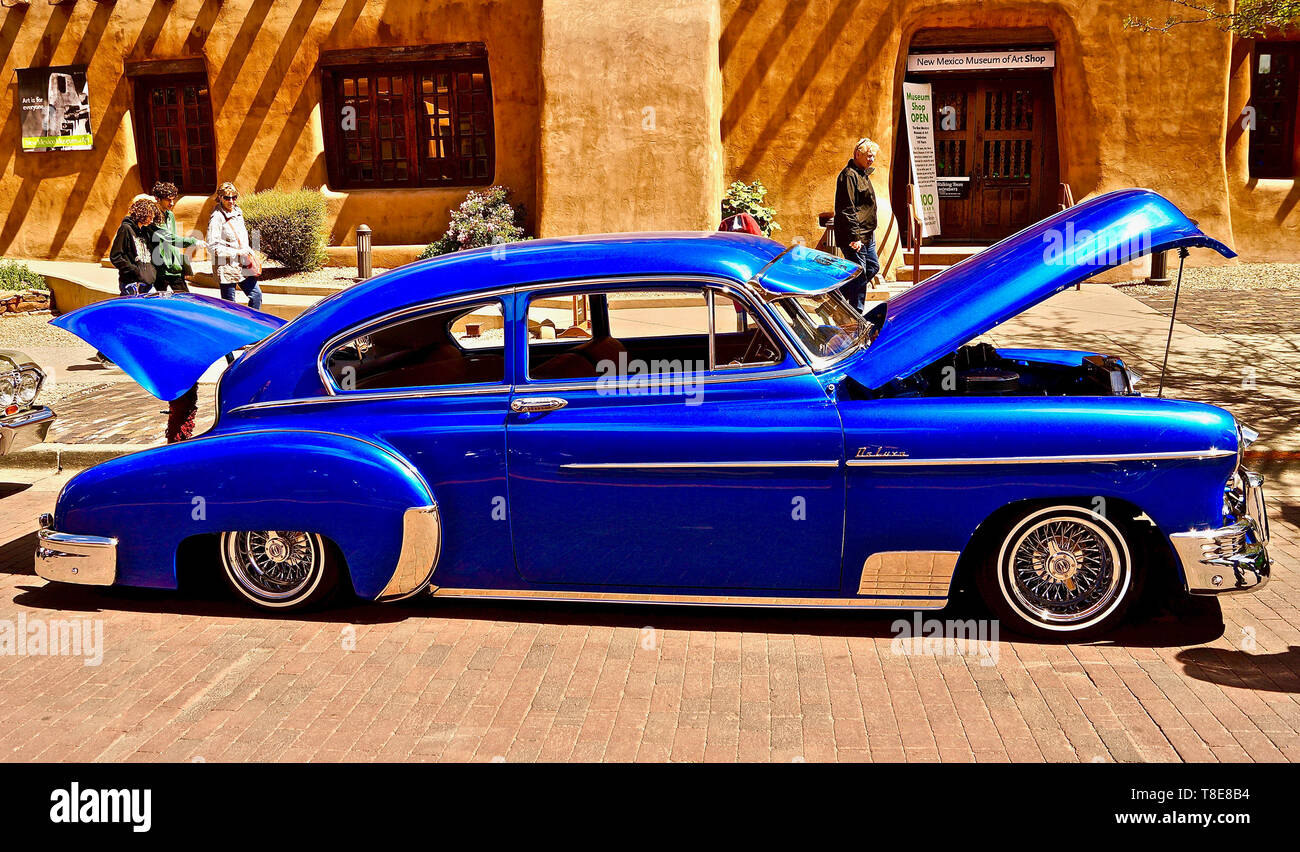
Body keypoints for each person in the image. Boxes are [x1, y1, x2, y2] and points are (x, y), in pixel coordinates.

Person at [207, 182, 263, 363]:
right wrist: (236, 252)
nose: (231, 201)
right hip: (226, 266)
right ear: (220, 198)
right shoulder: (216, 217)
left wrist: (248, 250)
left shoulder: (238, 213)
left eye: (234, 197)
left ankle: (250, 332)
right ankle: (232, 341)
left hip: (243, 264)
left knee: (256, 295)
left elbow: (243, 236)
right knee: (230, 307)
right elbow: (213, 246)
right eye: (227, 198)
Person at [834, 137, 881, 312]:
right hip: (855, 235)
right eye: (868, 155)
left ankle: (834, 299)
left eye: (873, 156)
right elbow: (847, 209)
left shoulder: (862, 173)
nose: (871, 159)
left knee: (873, 267)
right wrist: (855, 237)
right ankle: (856, 314)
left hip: (868, 234)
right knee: (860, 275)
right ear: (857, 154)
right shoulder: (849, 176)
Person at [149, 181, 204, 292]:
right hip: (158, 268)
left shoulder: (170, 215)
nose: (172, 203)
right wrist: (193, 241)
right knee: (160, 301)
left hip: (173, 267)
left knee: (185, 297)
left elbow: (173, 240)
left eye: (173, 199)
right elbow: (169, 238)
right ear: (158, 199)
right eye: (168, 200)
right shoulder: (153, 217)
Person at [109, 197, 160, 296]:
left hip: (147, 282)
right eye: (150, 217)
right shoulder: (125, 229)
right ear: (143, 214)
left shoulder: (145, 232)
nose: (151, 220)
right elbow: (116, 256)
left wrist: (151, 271)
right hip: (132, 283)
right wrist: (134, 270)